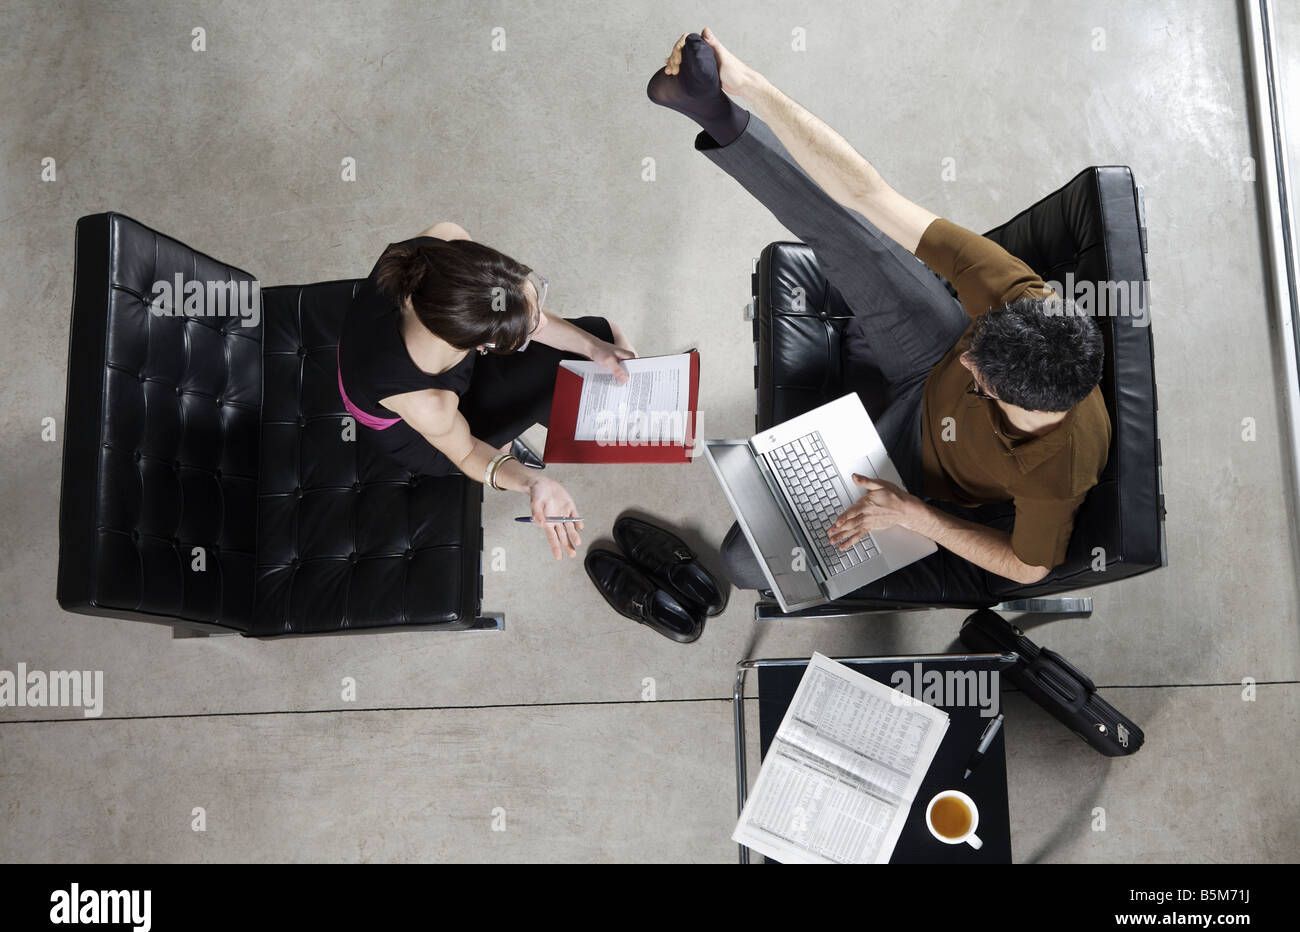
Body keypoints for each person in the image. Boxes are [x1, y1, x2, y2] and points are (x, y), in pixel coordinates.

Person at [648, 30, 1110, 587]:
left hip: (917, 461)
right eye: (981, 345)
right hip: (933, 350)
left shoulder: (1060, 469)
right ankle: (713, 112)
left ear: (1010, 398)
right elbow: (870, 193)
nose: (973, 364)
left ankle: (865, 417)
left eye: (981, 375)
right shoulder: (1026, 301)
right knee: (853, 232)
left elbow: (1028, 567)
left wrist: (917, 516)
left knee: (745, 562)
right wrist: (752, 85)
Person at [336, 221, 637, 560]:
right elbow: (465, 453)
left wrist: (595, 347)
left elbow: (518, 314)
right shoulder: (429, 403)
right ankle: (508, 435)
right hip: (427, 435)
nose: (541, 322)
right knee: (559, 386)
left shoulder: (441, 246)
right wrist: (533, 483)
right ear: (480, 346)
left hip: (429, 373)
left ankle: (520, 421)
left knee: (598, 339)